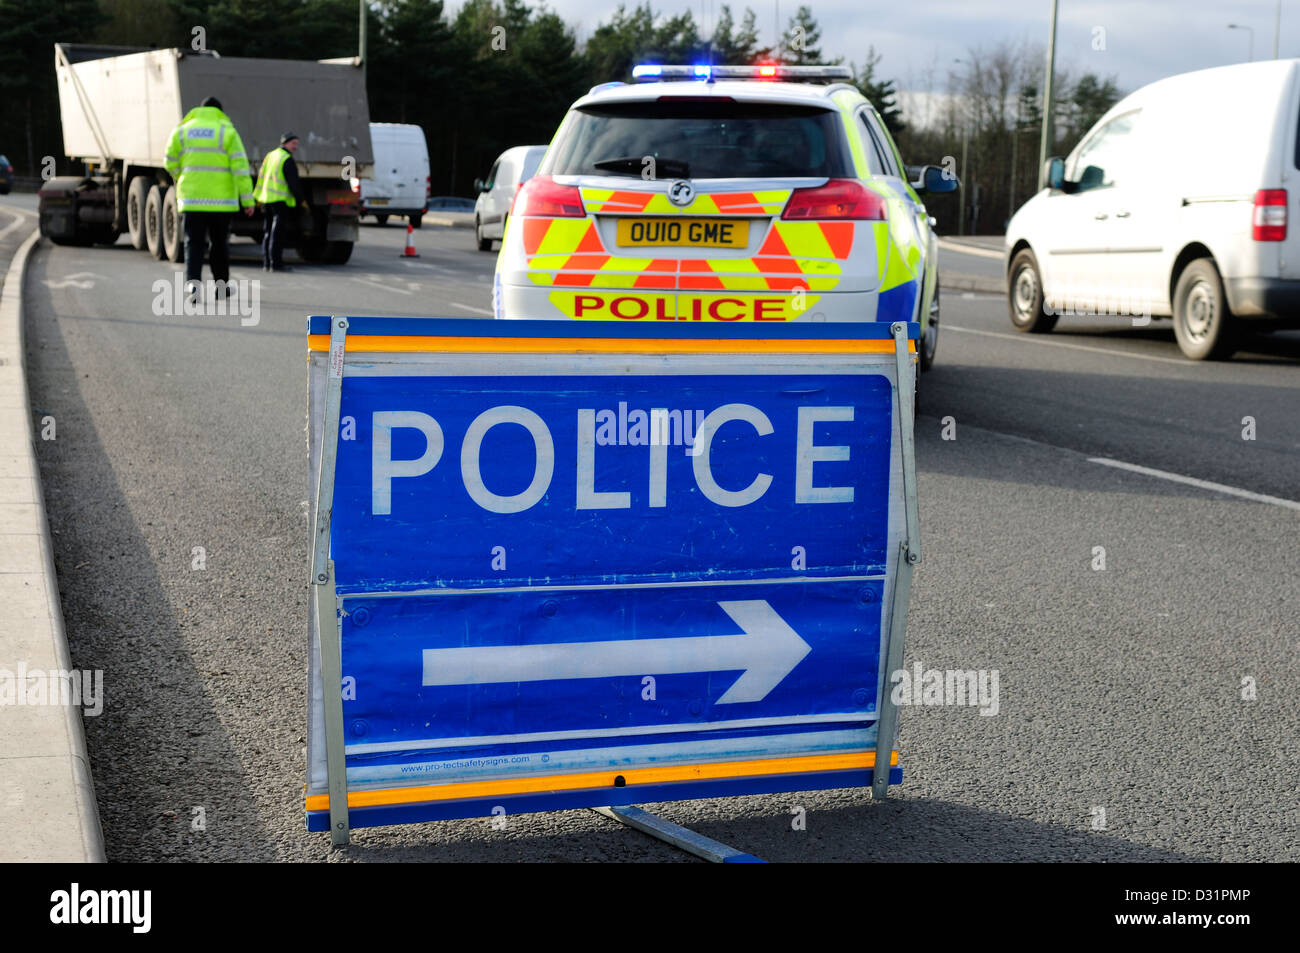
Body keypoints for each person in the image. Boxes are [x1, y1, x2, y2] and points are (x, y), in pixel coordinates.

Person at [163, 96, 255, 302]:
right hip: (221, 203)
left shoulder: (182, 131)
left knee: (193, 244)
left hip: (192, 200)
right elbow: (240, 169)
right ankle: (221, 289)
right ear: (220, 111)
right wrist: (247, 201)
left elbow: (169, 161)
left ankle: (193, 289)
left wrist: (181, 175)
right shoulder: (227, 132)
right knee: (219, 245)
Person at [254, 132, 309, 272]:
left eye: (297, 143)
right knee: (277, 234)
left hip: (267, 199)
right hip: (279, 201)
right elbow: (293, 183)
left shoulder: (271, 155)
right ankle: (276, 264)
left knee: (268, 232)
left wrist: (258, 198)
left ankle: (267, 262)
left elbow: (261, 176)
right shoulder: (286, 159)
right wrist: (301, 201)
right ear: (285, 143)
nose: (296, 147)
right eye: (293, 143)